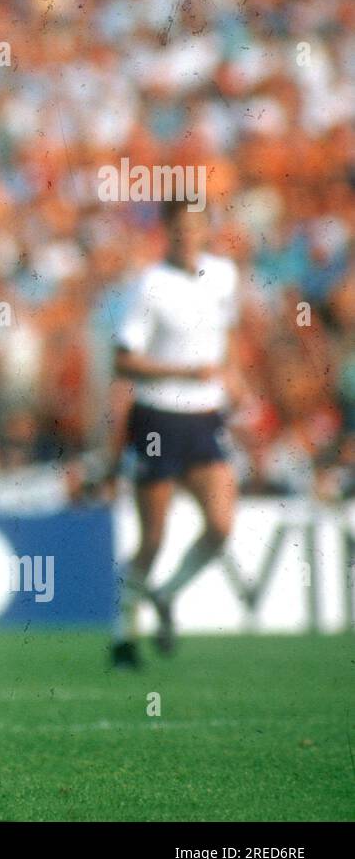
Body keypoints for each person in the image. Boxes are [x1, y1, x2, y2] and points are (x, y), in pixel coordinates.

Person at [108, 201, 243, 669]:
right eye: (179, 227)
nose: (188, 235)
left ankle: (166, 594)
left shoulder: (224, 276)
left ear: (207, 229)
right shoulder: (149, 285)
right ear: (166, 230)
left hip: (206, 418)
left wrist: (234, 381)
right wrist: (185, 372)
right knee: (154, 538)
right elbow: (123, 359)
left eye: (196, 226)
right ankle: (123, 635)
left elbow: (226, 340)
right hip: (158, 419)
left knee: (222, 525)